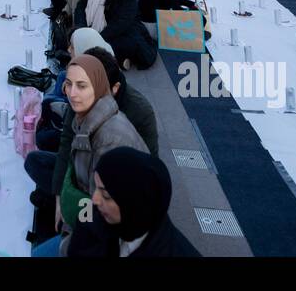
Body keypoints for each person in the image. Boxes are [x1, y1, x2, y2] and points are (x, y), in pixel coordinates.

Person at [33, 55, 149, 257]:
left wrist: (71, 239)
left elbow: (102, 217)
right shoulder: (87, 117)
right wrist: (63, 198)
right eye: (68, 84)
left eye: (82, 86)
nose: (73, 93)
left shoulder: (109, 140)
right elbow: (70, 160)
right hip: (90, 218)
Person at [66, 148, 200, 258]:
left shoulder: (175, 252)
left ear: (134, 205)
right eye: (96, 188)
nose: (94, 199)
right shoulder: (92, 213)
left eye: (106, 195)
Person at [81, 0, 157, 70]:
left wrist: (99, 37)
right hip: (103, 29)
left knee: (108, 46)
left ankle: (118, 59)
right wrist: (80, 28)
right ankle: (121, 60)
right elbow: (81, 7)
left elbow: (122, 23)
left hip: (124, 30)